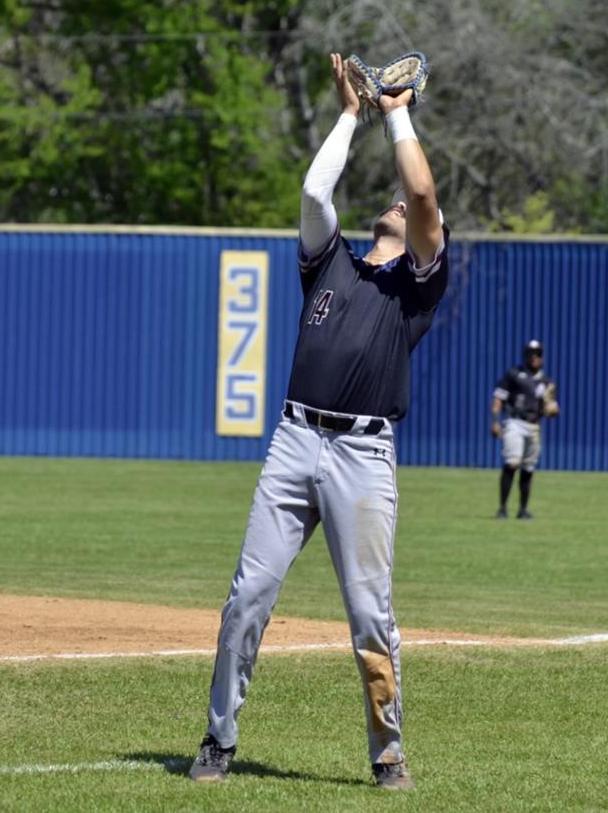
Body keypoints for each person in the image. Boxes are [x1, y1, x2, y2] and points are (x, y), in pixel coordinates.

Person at [188, 53, 448, 792]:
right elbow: (312, 190)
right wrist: (349, 113)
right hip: (295, 438)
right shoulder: (330, 264)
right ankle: (218, 738)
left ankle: (388, 754)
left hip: (362, 455)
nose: (397, 206)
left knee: (370, 614)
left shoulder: (415, 289)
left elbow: (422, 192)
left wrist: (396, 112)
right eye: (389, 205)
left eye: (407, 212)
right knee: (248, 596)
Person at [490, 339, 560, 520]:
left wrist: (552, 409)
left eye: (537, 354)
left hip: (534, 426)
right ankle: (502, 509)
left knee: (528, 467)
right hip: (515, 422)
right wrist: (495, 421)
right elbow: (498, 398)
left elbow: (550, 409)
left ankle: (523, 510)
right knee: (512, 463)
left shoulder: (546, 382)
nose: (534, 357)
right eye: (530, 354)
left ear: (542, 357)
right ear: (525, 355)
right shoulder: (514, 374)